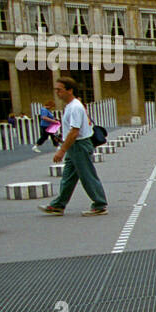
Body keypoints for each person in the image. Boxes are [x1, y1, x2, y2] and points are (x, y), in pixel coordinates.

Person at [37, 77, 107, 216]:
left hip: (79, 145)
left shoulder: (75, 107)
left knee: (87, 175)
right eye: (56, 90)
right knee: (68, 177)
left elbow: (74, 131)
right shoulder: (71, 106)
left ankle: (100, 204)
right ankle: (58, 205)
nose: (57, 92)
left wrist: (62, 150)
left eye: (60, 89)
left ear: (70, 90)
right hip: (74, 146)